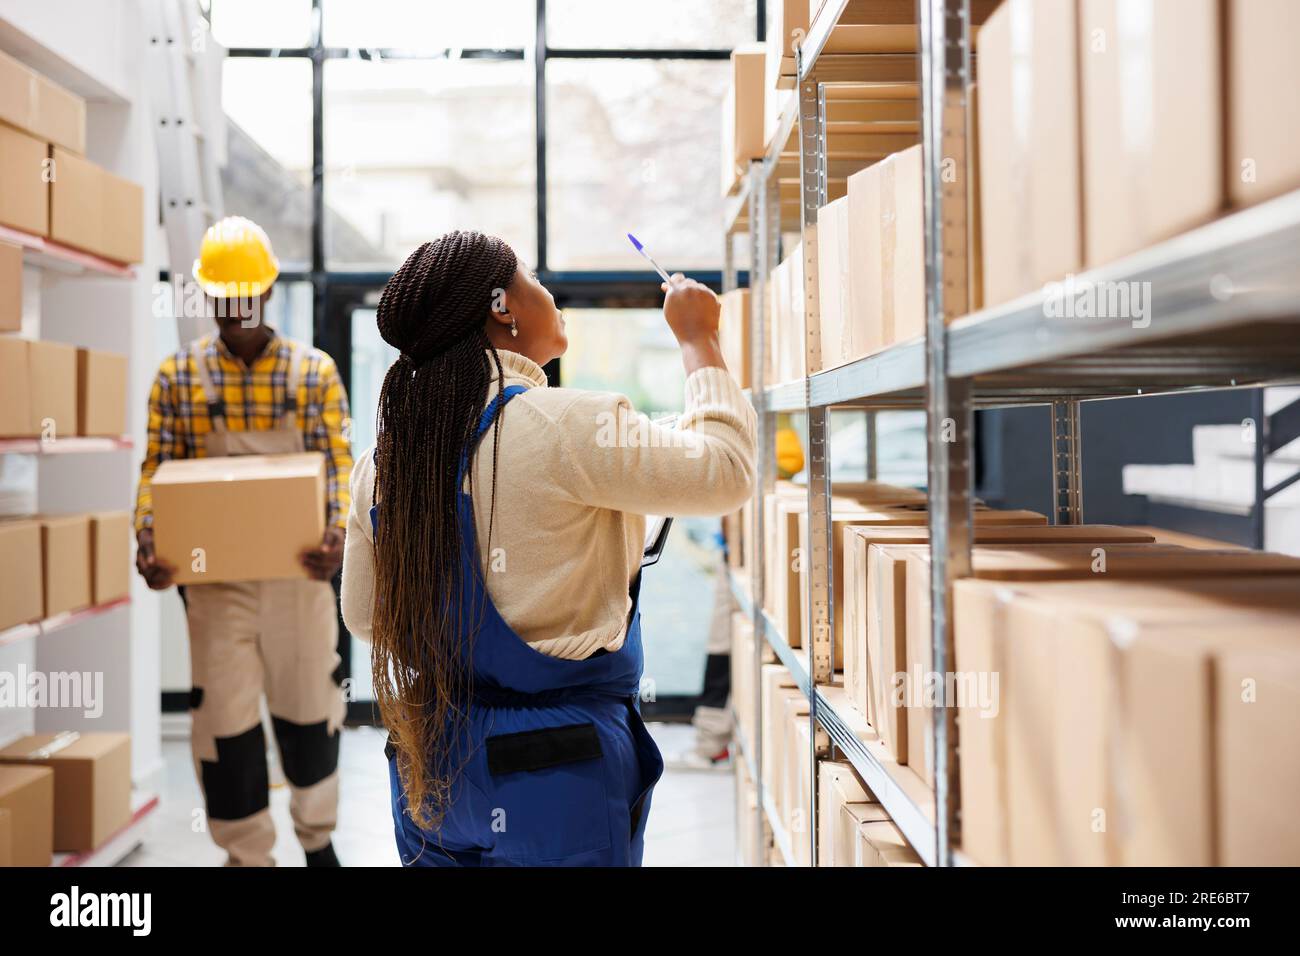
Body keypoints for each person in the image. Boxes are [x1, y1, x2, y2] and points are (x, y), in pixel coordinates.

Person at [340, 230, 756, 866]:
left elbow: (365, 618)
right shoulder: (571, 425)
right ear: (503, 307)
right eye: (533, 278)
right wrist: (699, 339)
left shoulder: (383, 462)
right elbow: (726, 470)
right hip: (557, 770)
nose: (550, 293)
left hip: (435, 768)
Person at [134, 216, 354, 867]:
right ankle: (246, 855)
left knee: (310, 715)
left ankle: (317, 841)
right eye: (222, 297)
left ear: (267, 291)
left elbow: (338, 466)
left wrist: (338, 534)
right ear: (205, 294)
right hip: (216, 588)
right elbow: (155, 472)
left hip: (300, 582)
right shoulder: (177, 378)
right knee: (225, 728)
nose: (234, 309)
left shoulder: (313, 374)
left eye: (245, 296)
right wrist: (148, 540)